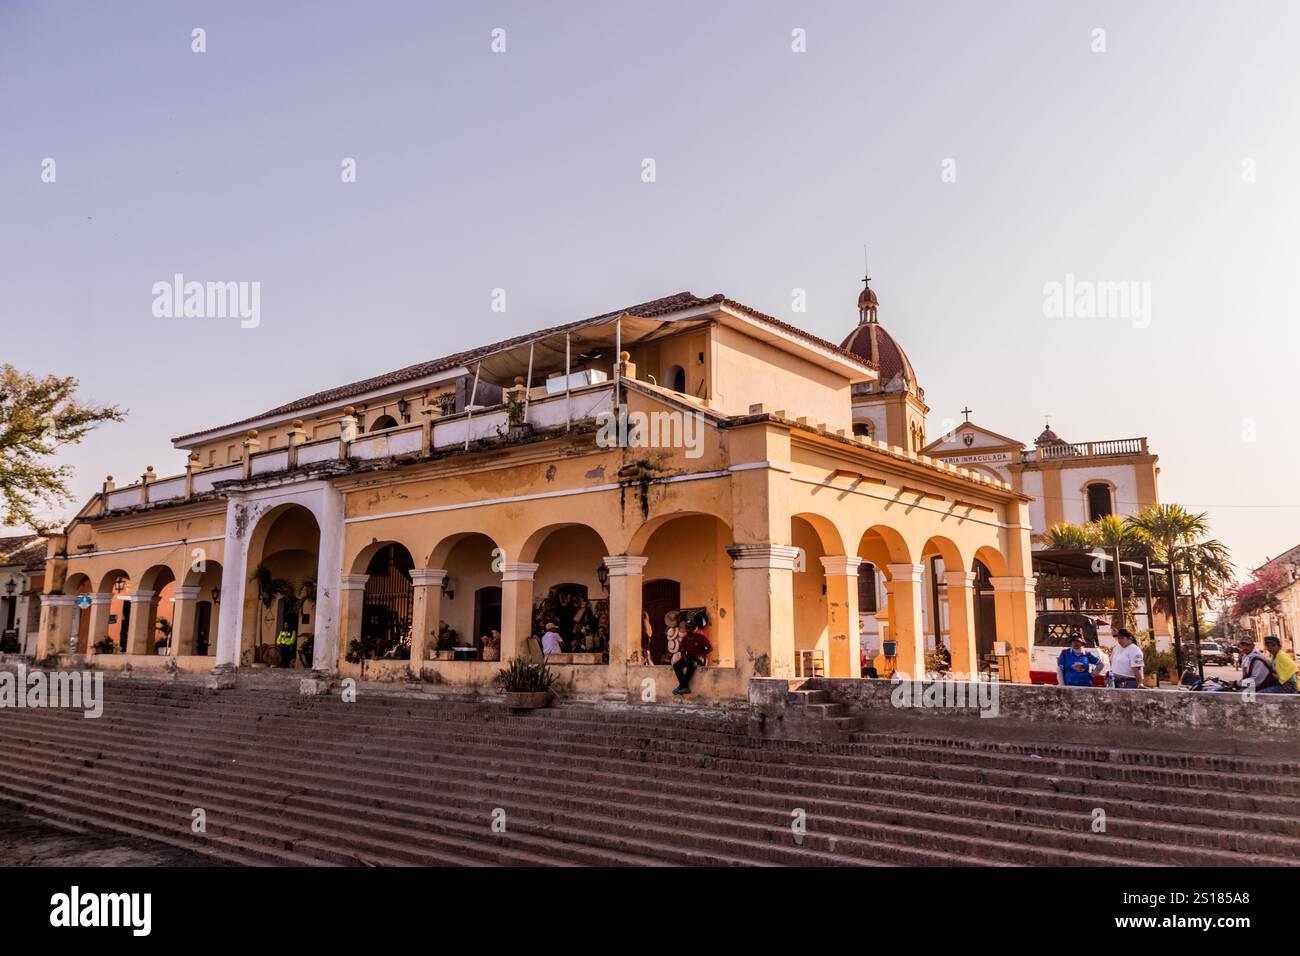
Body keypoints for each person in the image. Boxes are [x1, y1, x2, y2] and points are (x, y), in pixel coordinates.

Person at [672, 620, 713, 696]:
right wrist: (685, 658)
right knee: (676, 666)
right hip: (689, 657)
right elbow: (683, 651)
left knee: (691, 665)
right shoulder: (685, 639)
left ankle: (680, 687)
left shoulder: (701, 637)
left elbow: (710, 648)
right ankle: (685, 687)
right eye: (687, 628)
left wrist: (701, 654)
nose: (687, 630)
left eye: (689, 628)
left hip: (699, 658)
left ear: (694, 629)